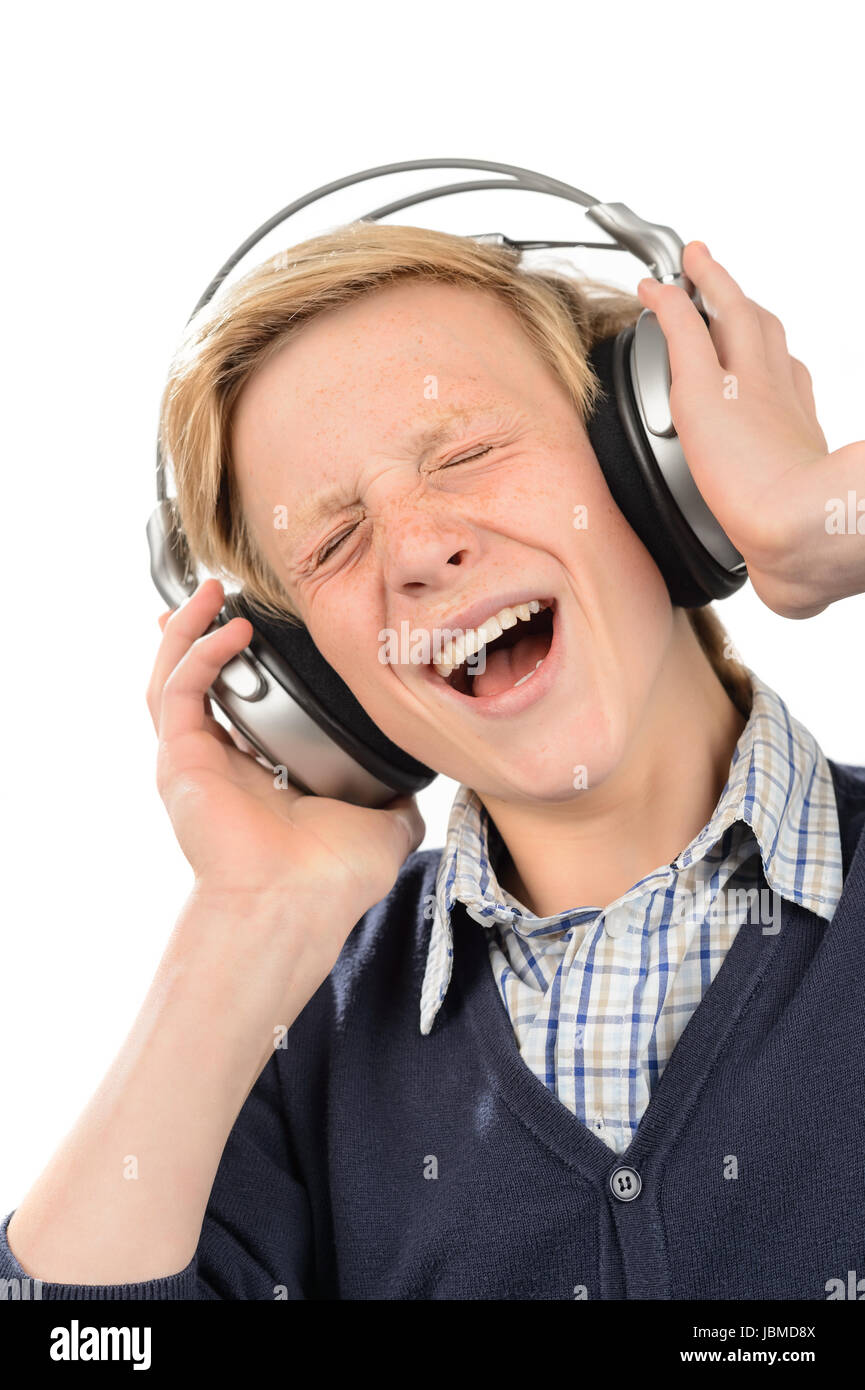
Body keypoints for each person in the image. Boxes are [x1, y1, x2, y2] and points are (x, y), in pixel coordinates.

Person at [2, 224, 863, 1300]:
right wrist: (246, 925)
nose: (416, 550)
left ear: (658, 462)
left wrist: (821, 517)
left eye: (465, 453)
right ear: (312, 684)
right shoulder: (290, 1044)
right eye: (330, 545)